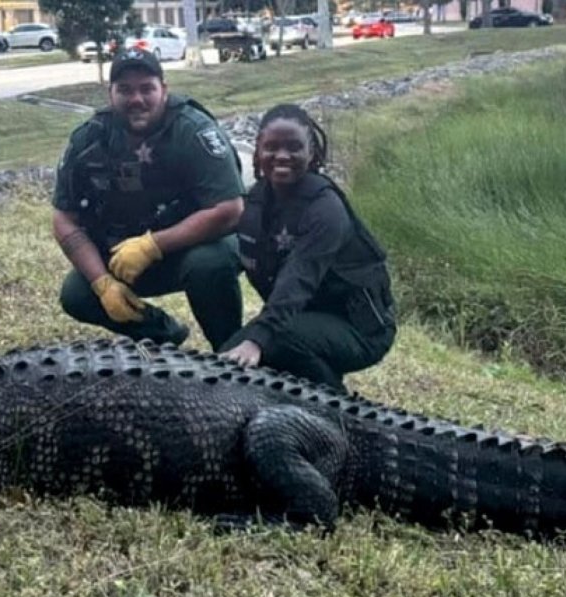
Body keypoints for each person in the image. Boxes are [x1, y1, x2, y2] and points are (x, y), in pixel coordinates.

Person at [52, 49, 244, 350]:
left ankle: (231, 350)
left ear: (164, 90)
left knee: (208, 263)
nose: (136, 99)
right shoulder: (89, 138)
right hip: (125, 254)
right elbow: (64, 218)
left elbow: (230, 209)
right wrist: (103, 283)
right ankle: (163, 335)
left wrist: (153, 245)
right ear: (111, 93)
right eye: (125, 90)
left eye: (146, 88)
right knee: (78, 292)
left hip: (196, 246)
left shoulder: (192, 130)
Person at [218, 104, 396, 391]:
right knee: (229, 354)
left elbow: (299, 278)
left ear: (311, 152)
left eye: (293, 147)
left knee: (278, 340)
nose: (282, 156)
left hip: (361, 329)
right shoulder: (258, 199)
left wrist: (258, 338)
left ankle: (339, 412)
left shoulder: (326, 209)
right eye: (271, 147)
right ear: (258, 151)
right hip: (304, 317)